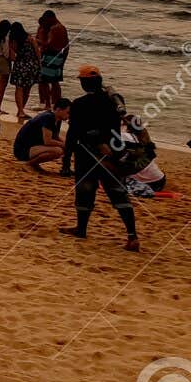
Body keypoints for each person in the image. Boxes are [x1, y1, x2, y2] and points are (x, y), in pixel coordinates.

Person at [60, 65, 139, 252]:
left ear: (84, 83)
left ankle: (81, 229)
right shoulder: (114, 102)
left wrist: (66, 160)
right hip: (112, 152)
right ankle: (132, 236)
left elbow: (73, 134)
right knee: (118, 193)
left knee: (85, 191)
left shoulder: (79, 104)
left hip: (86, 153)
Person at [13, 103, 69, 170]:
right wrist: (63, 145)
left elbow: (55, 136)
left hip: (32, 146)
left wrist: (68, 144)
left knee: (63, 148)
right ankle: (29, 164)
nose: (69, 115)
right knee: (57, 151)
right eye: (68, 112)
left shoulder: (57, 119)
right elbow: (47, 141)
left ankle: (34, 163)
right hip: (22, 149)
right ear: (59, 110)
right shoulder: (49, 118)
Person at [35, 10, 70, 110]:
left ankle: (47, 104)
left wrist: (35, 40)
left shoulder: (56, 28)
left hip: (52, 56)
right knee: (53, 81)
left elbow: (48, 44)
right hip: (56, 57)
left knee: (44, 81)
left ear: (50, 19)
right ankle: (50, 103)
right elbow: (67, 47)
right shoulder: (51, 27)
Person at [6, 21, 39, 122]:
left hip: (19, 65)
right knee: (27, 89)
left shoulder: (12, 41)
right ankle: (21, 110)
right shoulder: (30, 38)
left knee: (19, 88)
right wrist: (39, 65)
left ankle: (20, 110)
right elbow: (37, 53)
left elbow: (12, 57)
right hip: (31, 65)